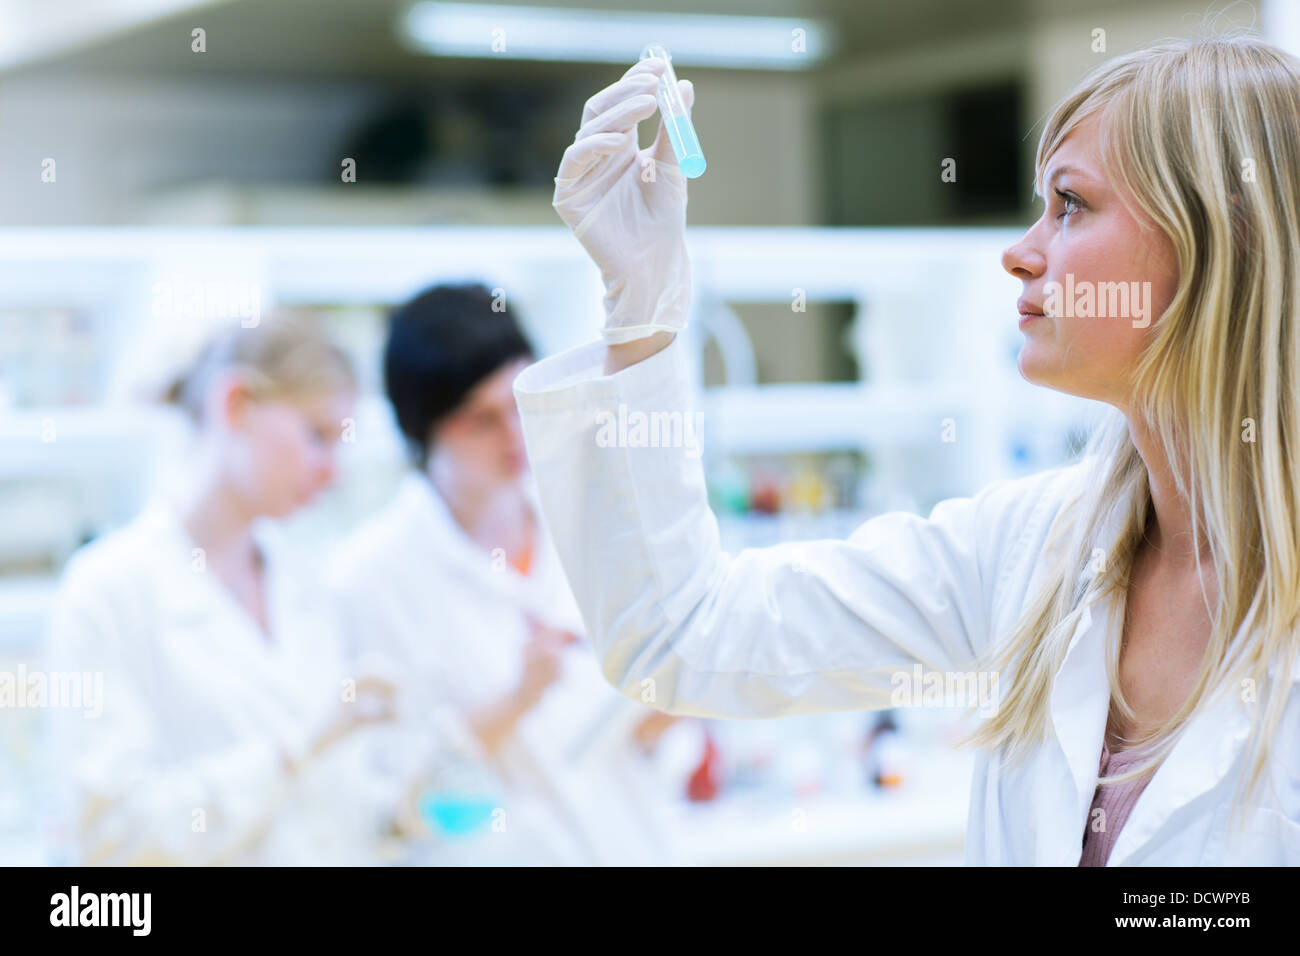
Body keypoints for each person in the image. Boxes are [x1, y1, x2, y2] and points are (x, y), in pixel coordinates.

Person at [511, 38, 1300, 866]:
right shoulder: (1035, 550)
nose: (1019, 252)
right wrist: (642, 303)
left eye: (1069, 204)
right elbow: (686, 638)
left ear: (1219, 241)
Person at [326, 283, 682, 866]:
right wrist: (515, 701)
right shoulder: (370, 579)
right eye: (480, 419)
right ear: (424, 429)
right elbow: (397, 814)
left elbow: (640, 754)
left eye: (519, 406)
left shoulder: (594, 521)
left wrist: (668, 706)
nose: (514, 437)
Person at [46, 312, 397, 865]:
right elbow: (114, 838)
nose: (334, 472)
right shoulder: (110, 591)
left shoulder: (307, 586)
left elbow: (334, 813)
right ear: (235, 404)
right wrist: (295, 748)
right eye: (318, 436)